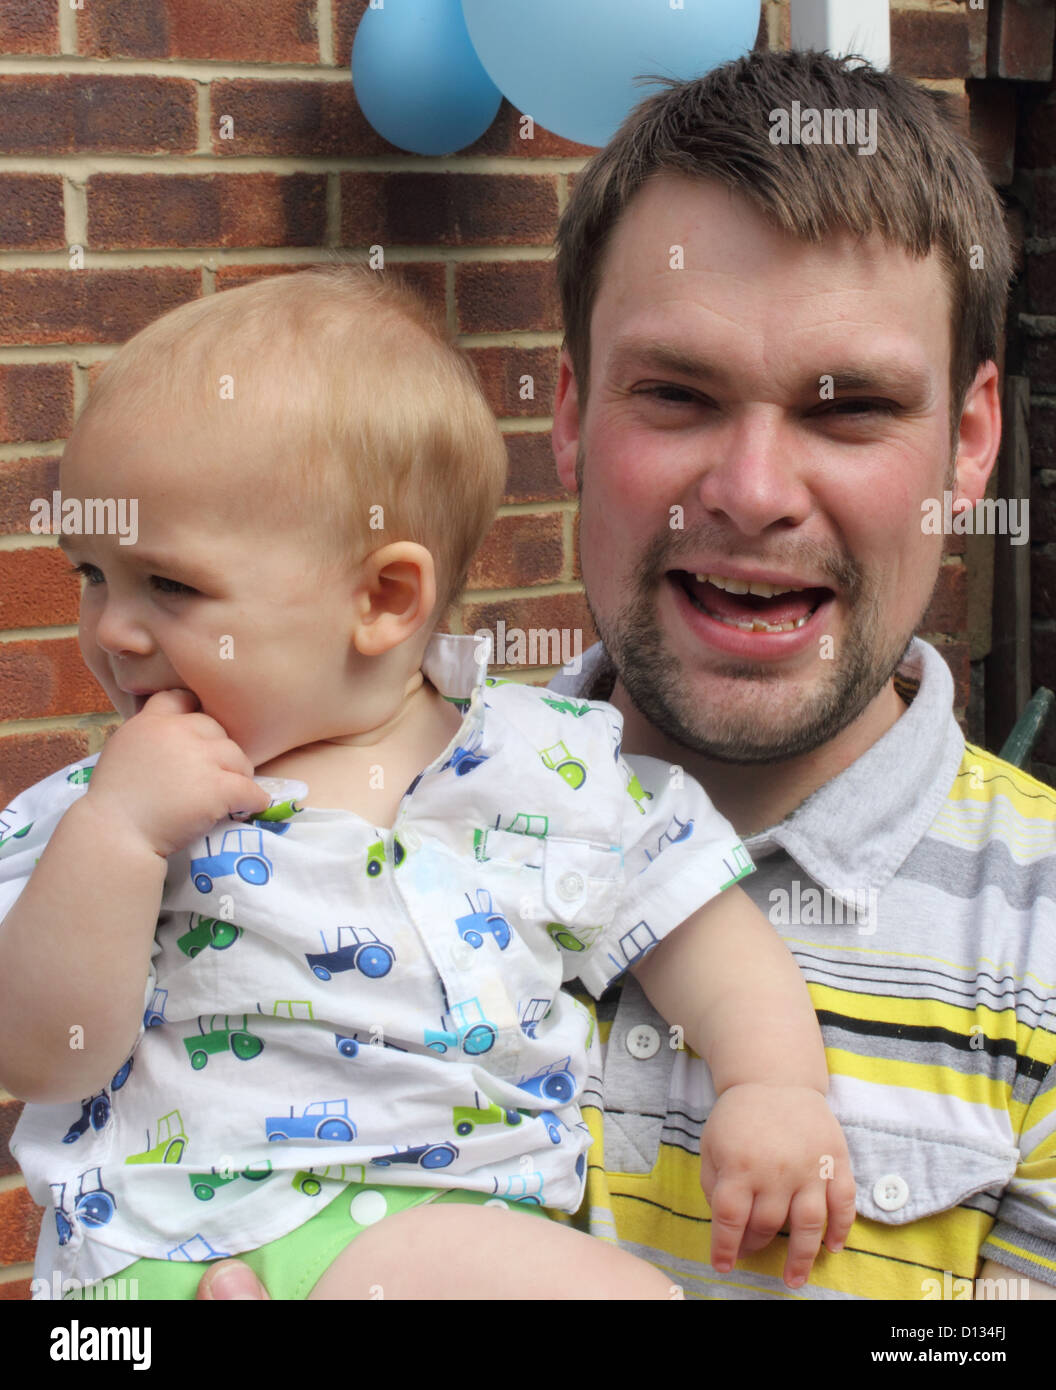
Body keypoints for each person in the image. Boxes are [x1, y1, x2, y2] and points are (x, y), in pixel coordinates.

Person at [196, 48, 1056, 1303]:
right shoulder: (286, 821)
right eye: (678, 394)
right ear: (570, 414)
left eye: (848, 408)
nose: (753, 492)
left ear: (969, 443)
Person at [0, 264, 856, 1301]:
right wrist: (117, 838)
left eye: (169, 584)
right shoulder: (96, 811)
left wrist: (773, 1086)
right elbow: (40, 1056)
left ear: (385, 597)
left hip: (440, 1231)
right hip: (157, 1257)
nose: (112, 629)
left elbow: (702, 932)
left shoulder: (546, 772)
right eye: (92, 575)